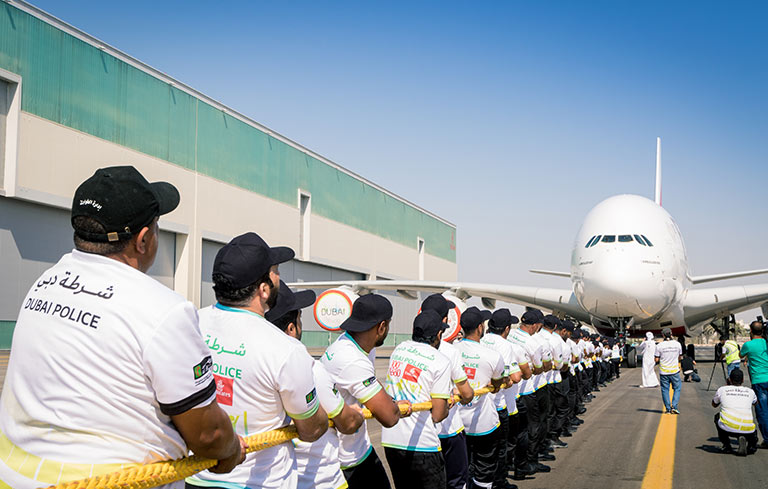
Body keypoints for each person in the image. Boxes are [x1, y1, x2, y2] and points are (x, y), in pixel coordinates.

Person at [0, 166, 245, 489]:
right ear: (143, 240)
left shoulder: (45, 283)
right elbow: (208, 434)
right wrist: (230, 449)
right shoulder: (164, 310)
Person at [187, 233, 329, 489]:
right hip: (258, 482)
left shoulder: (187, 324)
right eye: (275, 273)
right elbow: (311, 430)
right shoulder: (286, 349)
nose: (279, 279)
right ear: (263, 289)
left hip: (192, 477)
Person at [265, 281, 365, 489]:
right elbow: (347, 424)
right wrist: (354, 413)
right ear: (291, 328)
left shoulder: (258, 364)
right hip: (321, 480)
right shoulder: (310, 369)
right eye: (300, 319)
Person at [321, 294, 411, 489]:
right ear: (381, 327)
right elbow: (389, 417)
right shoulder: (352, 359)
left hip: (359, 447)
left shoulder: (353, 343)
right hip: (348, 460)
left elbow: (372, 385)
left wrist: (391, 401)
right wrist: (394, 407)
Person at [382, 310, 453, 489]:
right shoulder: (440, 361)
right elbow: (438, 415)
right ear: (438, 334)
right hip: (423, 445)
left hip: (392, 440)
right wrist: (446, 405)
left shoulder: (400, 349)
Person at [421, 294, 474, 489]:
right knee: (457, 481)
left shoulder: (406, 349)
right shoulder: (450, 351)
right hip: (449, 429)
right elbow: (467, 394)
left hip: (422, 433)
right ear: (444, 321)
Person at [455, 306, 505, 489]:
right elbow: (498, 383)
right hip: (484, 424)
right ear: (479, 327)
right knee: (484, 470)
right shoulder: (492, 355)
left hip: (457, 423)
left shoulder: (451, 351)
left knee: (461, 469)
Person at [480, 309, 523, 489]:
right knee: (501, 447)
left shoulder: (482, 340)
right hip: (499, 404)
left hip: (483, 403)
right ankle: (499, 482)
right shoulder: (505, 346)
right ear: (506, 328)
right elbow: (515, 377)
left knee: (482, 452)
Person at [508, 309, 551, 479]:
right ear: (534, 326)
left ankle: (510, 464)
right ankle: (527, 462)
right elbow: (542, 368)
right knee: (530, 429)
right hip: (525, 390)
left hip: (508, 390)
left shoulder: (510, 334)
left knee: (510, 433)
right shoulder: (533, 343)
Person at [712, 369, 758, 455]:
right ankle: (751, 446)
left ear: (729, 379)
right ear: (743, 380)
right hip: (747, 429)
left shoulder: (722, 389)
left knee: (717, 417)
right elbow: (756, 403)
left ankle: (727, 446)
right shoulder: (750, 391)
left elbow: (714, 404)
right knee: (749, 423)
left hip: (728, 428)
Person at [739, 320, 768, 448]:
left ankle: (767, 439)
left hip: (758, 381)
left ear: (750, 331)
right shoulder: (766, 343)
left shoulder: (748, 345)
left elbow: (741, 355)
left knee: (762, 411)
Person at [655, 327, 683, 414]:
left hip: (664, 372)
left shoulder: (659, 346)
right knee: (677, 388)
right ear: (671, 334)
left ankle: (667, 409)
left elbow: (656, 360)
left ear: (663, 335)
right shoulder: (677, 344)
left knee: (665, 390)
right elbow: (680, 357)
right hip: (674, 371)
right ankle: (674, 406)